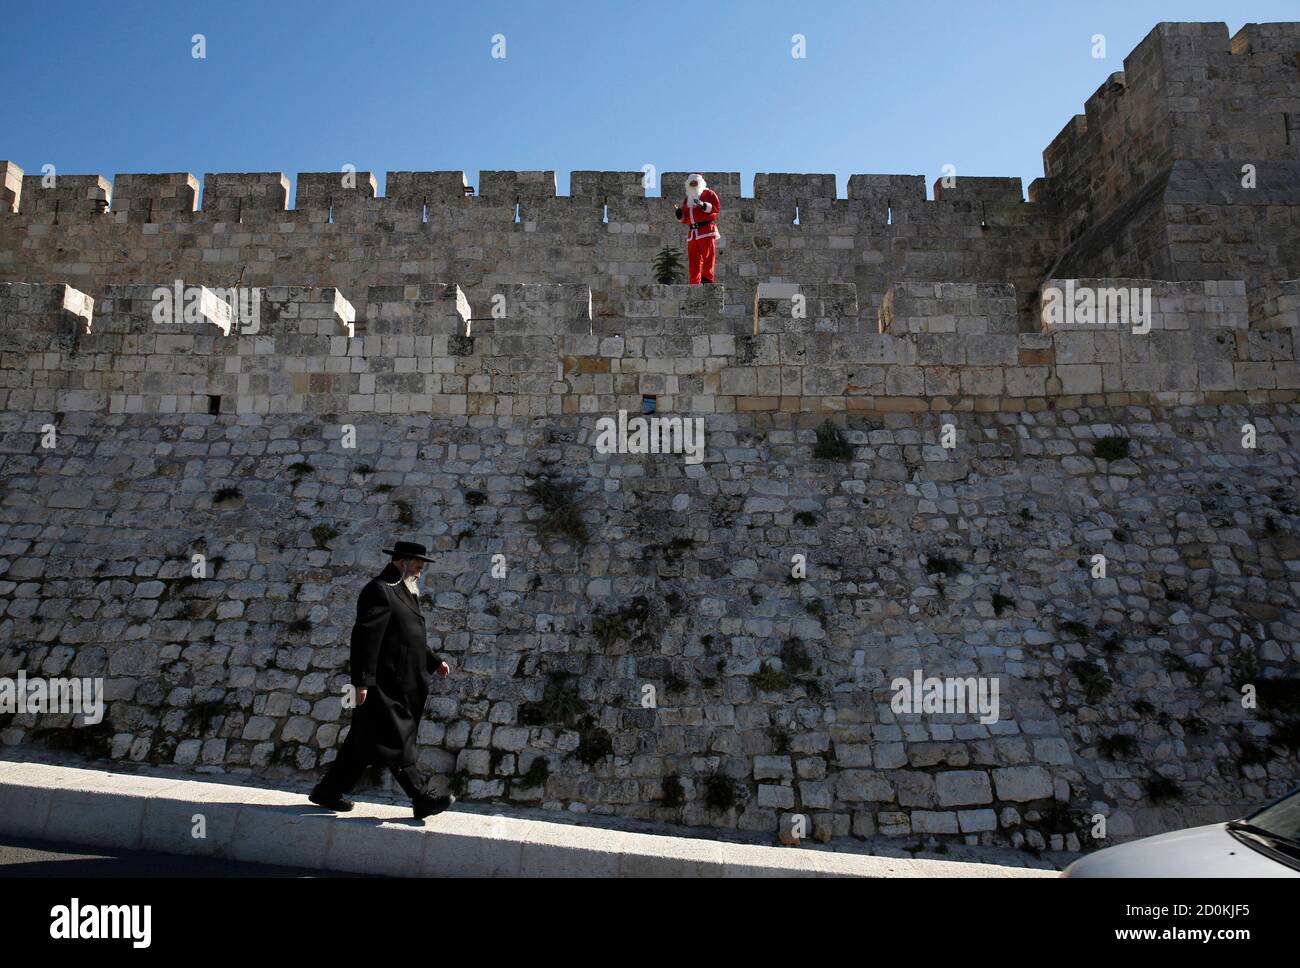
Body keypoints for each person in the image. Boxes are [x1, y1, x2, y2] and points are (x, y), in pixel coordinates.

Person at [309, 540, 454, 820]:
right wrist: (361, 682)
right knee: (397, 739)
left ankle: (328, 791)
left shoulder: (403, 592)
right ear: (401, 563)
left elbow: (409, 636)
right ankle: (421, 797)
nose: (420, 573)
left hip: (402, 682)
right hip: (384, 685)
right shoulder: (378, 590)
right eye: (417, 567)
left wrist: (434, 661)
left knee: (361, 743)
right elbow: (365, 639)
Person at [674, 173, 721, 285]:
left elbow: (716, 208)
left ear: (700, 183)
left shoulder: (709, 193)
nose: (693, 184)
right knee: (694, 261)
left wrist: (704, 205)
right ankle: (694, 282)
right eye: (691, 183)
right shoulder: (687, 200)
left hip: (706, 231)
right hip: (693, 234)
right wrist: (680, 215)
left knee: (708, 257)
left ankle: (707, 280)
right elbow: (686, 219)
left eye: (695, 182)